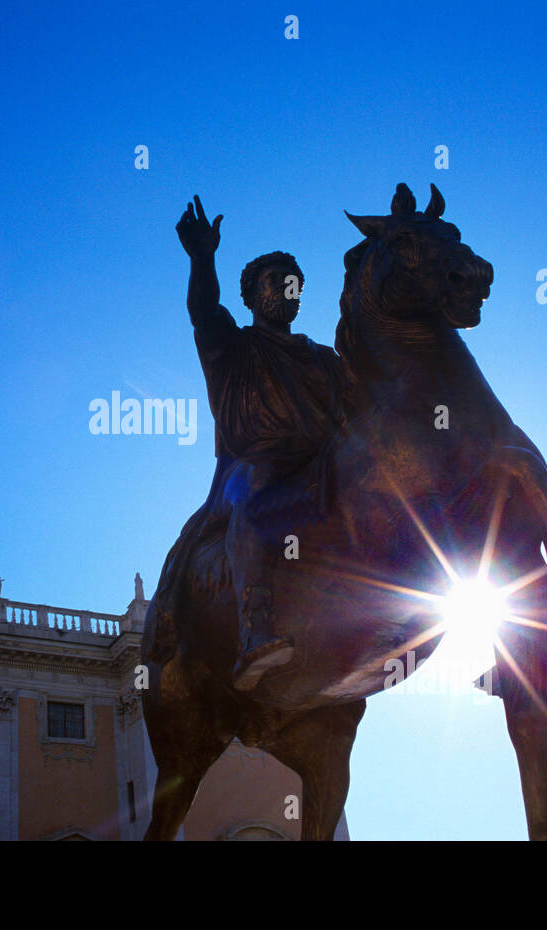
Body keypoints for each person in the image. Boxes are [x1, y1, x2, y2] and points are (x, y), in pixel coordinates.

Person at [176, 196, 353, 690]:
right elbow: (203, 309)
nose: (289, 289)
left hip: (322, 464)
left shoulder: (325, 360)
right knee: (254, 492)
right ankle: (254, 629)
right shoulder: (232, 346)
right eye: (277, 281)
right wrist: (202, 258)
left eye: (295, 282)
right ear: (252, 297)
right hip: (259, 463)